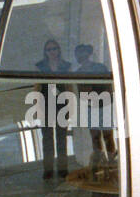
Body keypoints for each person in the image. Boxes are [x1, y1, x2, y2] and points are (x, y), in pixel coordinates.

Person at [73, 43, 116, 171]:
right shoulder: (78, 72)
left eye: (82, 53)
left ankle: (112, 161)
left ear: (88, 54)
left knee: (108, 135)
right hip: (91, 107)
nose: (80, 56)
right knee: (95, 136)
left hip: (104, 105)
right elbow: (82, 92)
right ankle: (100, 161)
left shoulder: (100, 68)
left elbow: (108, 87)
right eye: (78, 54)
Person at [35, 39, 72, 181]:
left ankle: (63, 169)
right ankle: (48, 169)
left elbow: (69, 87)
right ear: (45, 52)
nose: (52, 52)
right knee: (47, 140)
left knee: (61, 139)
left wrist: (70, 105)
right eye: (49, 49)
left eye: (54, 49)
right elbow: (37, 87)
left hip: (62, 105)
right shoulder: (40, 66)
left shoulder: (66, 66)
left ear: (59, 50)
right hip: (45, 105)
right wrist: (37, 107)